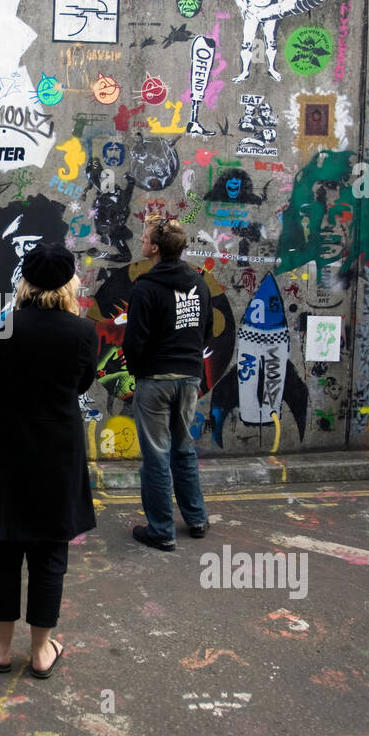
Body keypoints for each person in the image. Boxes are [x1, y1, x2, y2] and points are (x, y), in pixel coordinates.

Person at [0, 243, 96, 679]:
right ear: (69, 282)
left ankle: (1, 647)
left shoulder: (6, 325)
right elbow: (82, 384)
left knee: (2, 546)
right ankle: (41, 651)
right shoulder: (83, 332)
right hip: (58, 449)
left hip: (7, 447)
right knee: (49, 549)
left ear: (26, 280)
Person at [126, 216, 212, 550]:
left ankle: (161, 530)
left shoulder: (147, 287)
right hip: (190, 376)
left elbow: (134, 341)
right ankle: (197, 518)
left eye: (145, 237)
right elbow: (204, 330)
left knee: (157, 456)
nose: (142, 240)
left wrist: (138, 372)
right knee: (183, 448)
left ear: (156, 248)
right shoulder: (199, 283)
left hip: (156, 379)